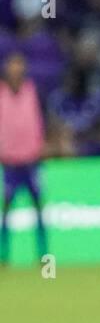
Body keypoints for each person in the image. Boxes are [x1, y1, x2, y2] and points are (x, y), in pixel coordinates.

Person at [0, 53, 48, 266]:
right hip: (9, 162)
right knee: (6, 210)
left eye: (19, 64)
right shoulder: (1, 93)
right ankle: (3, 255)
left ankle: (43, 253)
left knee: (39, 208)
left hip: (31, 161)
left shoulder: (32, 91)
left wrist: (40, 146)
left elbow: (40, 121)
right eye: (12, 64)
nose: (15, 69)